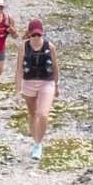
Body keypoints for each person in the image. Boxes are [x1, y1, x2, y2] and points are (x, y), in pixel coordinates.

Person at [14, 16, 59, 161]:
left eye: (39, 35)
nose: (36, 38)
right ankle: (35, 140)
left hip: (47, 82)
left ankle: (38, 144)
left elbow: (55, 67)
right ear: (29, 34)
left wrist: (57, 85)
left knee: (43, 114)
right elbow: (18, 70)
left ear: (42, 34)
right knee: (33, 114)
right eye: (33, 35)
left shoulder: (50, 47)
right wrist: (17, 91)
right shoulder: (24, 46)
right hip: (29, 82)